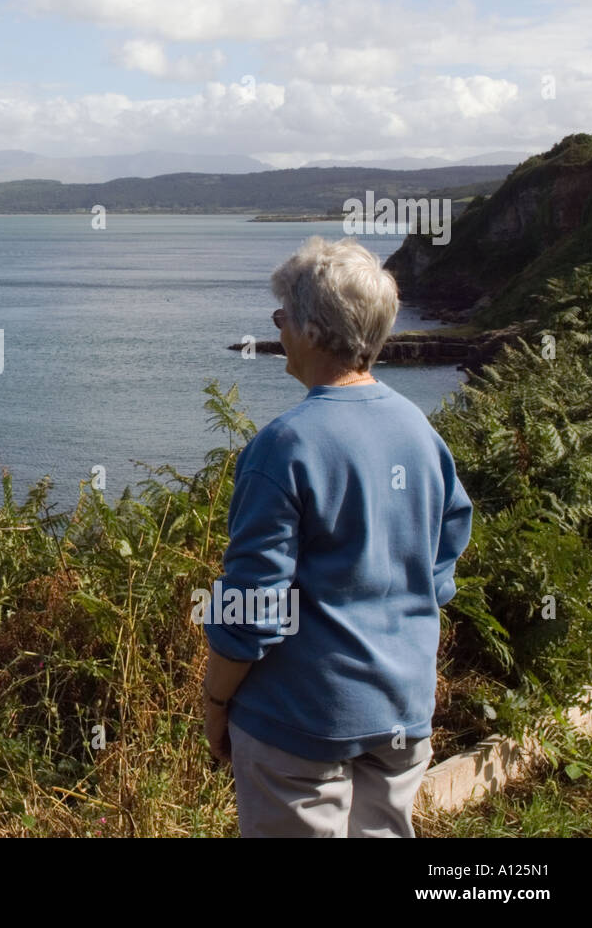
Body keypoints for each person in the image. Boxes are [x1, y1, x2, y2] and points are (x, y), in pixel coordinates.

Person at [201, 235, 473, 837]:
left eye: (283, 318)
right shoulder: (420, 431)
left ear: (315, 332)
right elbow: (441, 562)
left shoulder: (284, 445)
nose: (278, 331)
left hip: (301, 721)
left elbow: (251, 604)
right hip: (401, 708)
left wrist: (216, 703)